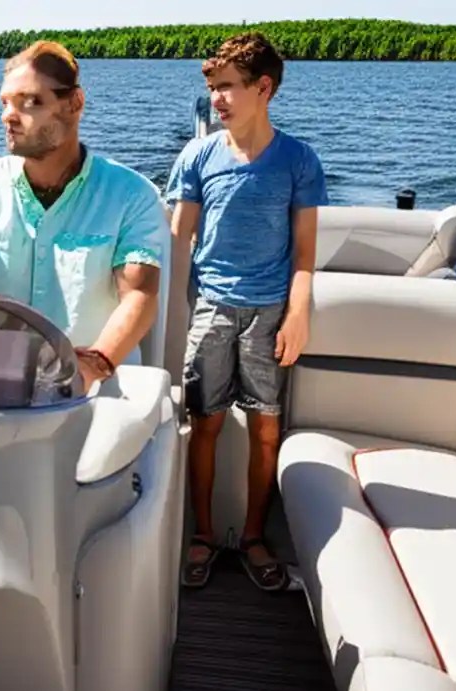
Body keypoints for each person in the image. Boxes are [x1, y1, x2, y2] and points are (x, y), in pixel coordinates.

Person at [0, 41, 168, 392]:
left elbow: (139, 294)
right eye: (4, 103)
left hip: (99, 393)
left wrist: (90, 367)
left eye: (30, 102)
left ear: (74, 103)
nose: (8, 116)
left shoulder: (132, 195)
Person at [167, 33, 328, 590]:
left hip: (269, 313)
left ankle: (256, 535)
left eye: (228, 87)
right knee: (204, 424)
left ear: (264, 88)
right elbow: (177, 242)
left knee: (265, 431)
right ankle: (203, 534)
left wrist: (298, 314)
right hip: (211, 309)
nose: (217, 99)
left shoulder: (299, 160)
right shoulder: (197, 156)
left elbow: (304, 254)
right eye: (213, 88)